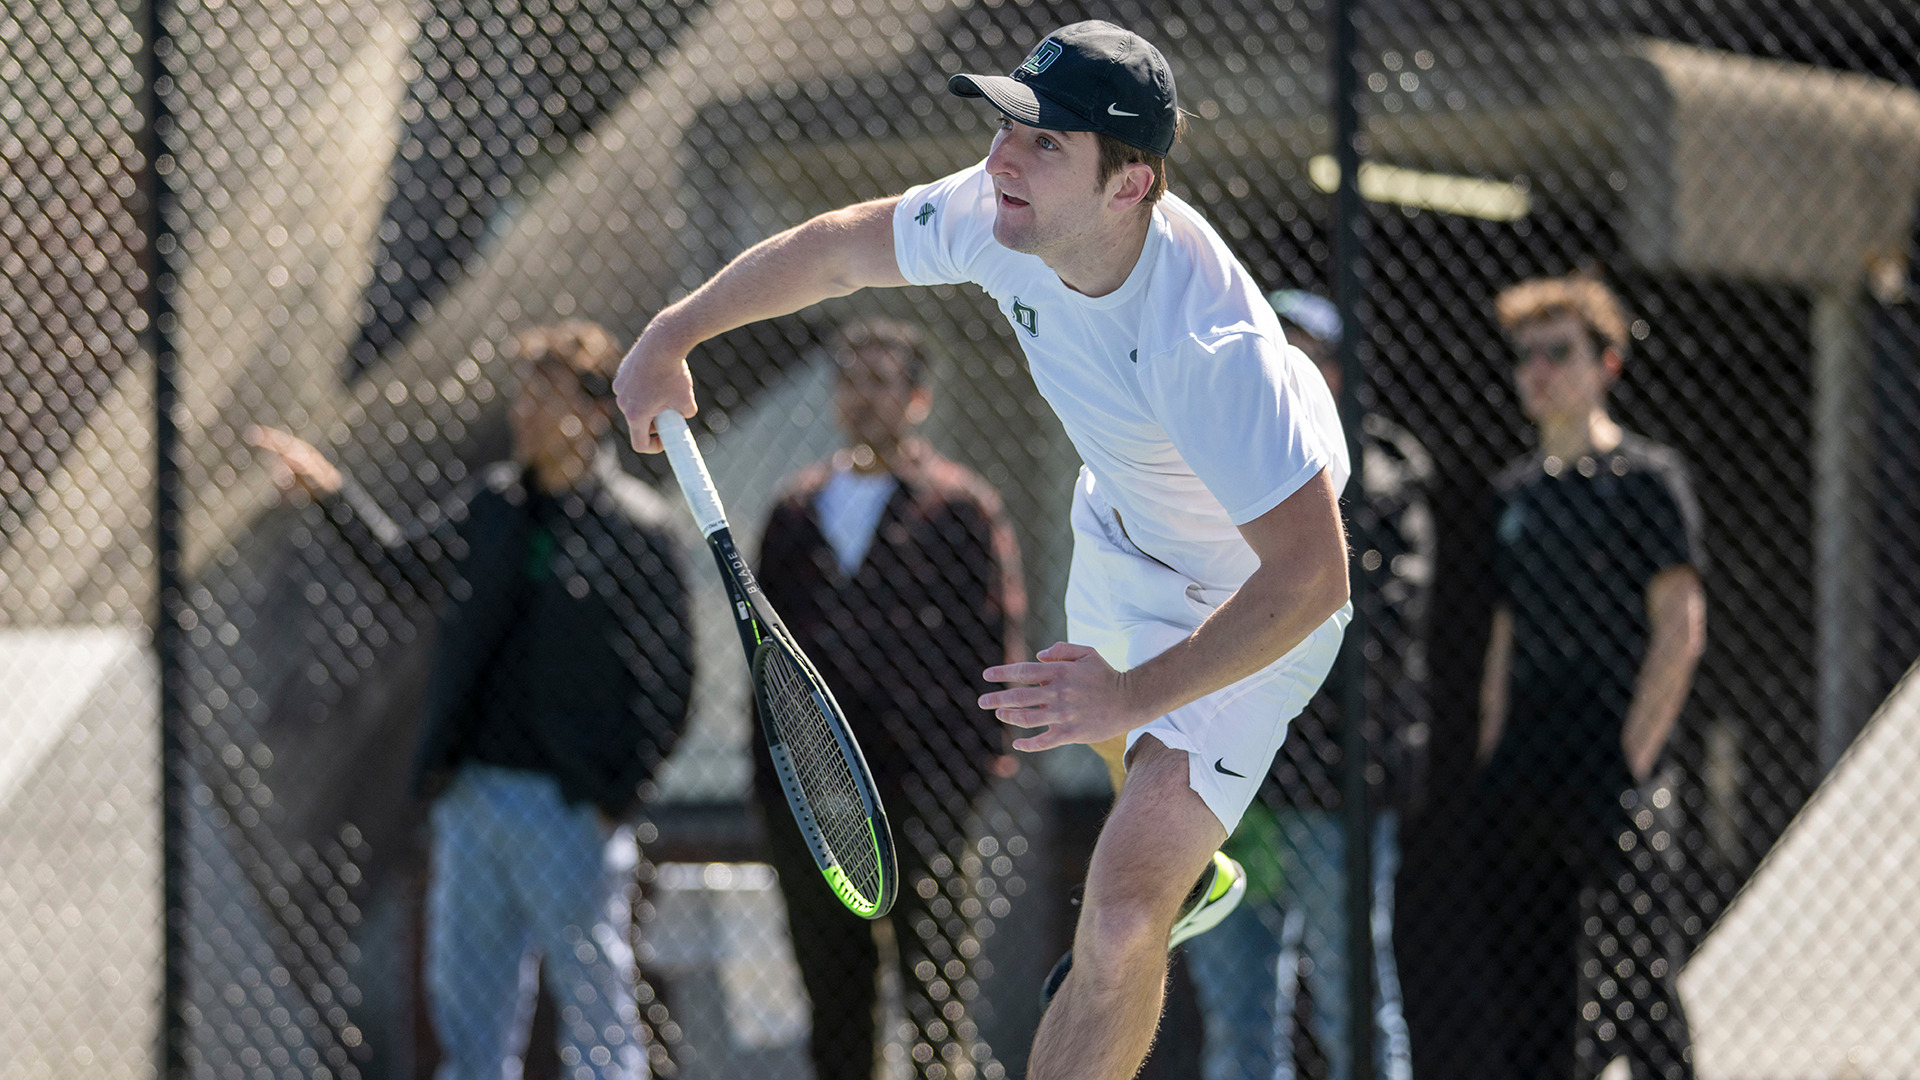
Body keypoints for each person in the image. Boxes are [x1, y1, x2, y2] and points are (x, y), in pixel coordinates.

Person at [612, 22, 1352, 1080]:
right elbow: (833, 247)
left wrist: (1137, 693)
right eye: (1007, 122)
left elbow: (1311, 579)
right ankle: (1182, 861)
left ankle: (1169, 868)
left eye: (1046, 142)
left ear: (1129, 185)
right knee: (1124, 833)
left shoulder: (1210, 351)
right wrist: (670, 334)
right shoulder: (998, 213)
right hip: (1123, 530)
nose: (1004, 155)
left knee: (1115, 922)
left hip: (1258, 597)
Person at [249, 321, 692, 1080]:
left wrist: (613, 795)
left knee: (598, 1016)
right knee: (470, 1018)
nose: (522, 412)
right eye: (520, 394)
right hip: (474, 800)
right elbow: (402, 567)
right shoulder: (493, 505)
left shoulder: (638, 532)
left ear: (592, 412)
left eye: (543, 396)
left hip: (572, 812)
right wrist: (331, 493)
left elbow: (672, 683)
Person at [752, 317, 1027, 1080]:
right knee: (833, 996)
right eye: (850, 382)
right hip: (816, 795)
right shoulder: (795, 512)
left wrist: (968, 782)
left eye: (880, 382)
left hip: (925, 789)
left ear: (917, 398)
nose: (862, 399)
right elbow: (765, 663)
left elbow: (993, 644)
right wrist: (773, 788)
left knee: (936, 988)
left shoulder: (960, 507)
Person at [1184, 291, 1430, 1080]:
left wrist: (1259, 634)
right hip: (1229, 787)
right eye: (1271, 353)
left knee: (1356, 1007)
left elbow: (1382, 618)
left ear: (1336, 368)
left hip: (1335, 789)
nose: (1283, 371)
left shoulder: (1384, 472)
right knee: (1239, 1017)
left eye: (1303, 353)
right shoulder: (1203, 457)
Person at [1475, 276, 1706, 1080]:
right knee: (1536, 999)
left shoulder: (1648, 480)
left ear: (1606, 363)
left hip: (1613, 770)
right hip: (1529, 771)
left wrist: (1633, 761)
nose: (1538, 369)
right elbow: (1505, 635)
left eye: (1558, 352)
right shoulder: (1515, 496)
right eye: (1526, 355)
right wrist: (1495, 751)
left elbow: (1680, 626)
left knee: (1642, 988)